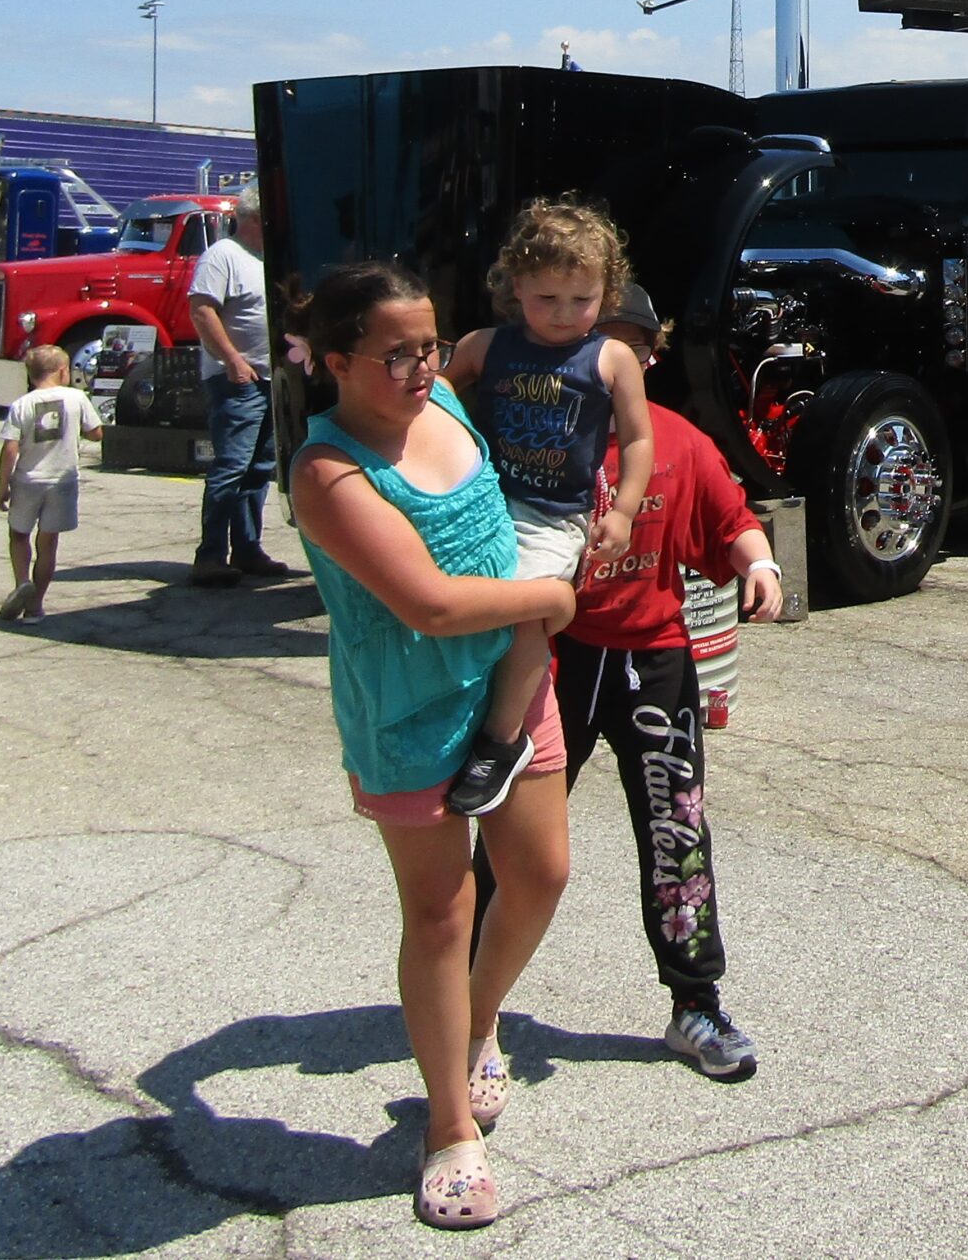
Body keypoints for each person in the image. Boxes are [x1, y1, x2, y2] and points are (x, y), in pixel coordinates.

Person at [287, 261, 578, 1231]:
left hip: (509, 682)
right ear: (335, 360)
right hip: (410, 714)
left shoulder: (448, 398)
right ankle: (449, 1129)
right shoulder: (325, 471)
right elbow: (428, 600)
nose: (421, 367)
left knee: (539, 874)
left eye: (427, 345)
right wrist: (549, 597)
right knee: (442, 912)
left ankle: (476, 1021)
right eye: (396, 353)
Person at [471, 285, 784, 1080]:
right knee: (509, 831)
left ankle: (695, 1004)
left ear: (648, 357)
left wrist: (761, 566)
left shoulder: (674, 441)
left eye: (632, 347)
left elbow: (732, 517)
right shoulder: (524, 438)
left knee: (676, 830)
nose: (612, 363)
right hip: (555, 657)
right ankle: (467, 998)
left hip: (654, 658)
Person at [440, 200, 653, 819]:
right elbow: (438, 402)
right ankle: (467, 711)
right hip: (484, 503)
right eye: (546, 300)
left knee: (526, 611)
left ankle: (502, 741)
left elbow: (638, 439)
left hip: (555, 514)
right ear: (515, 289)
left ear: (607, 293)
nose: (564, 316)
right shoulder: (486, 346)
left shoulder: (610, 358)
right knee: (468, 609)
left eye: (581, 300)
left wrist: (625, 511)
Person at [188, 186, 289, 587]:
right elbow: (201, 309)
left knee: (260, 469)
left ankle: (247, 548)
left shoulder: (268, 260)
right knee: (232, 466)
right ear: (252, 219)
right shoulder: (222, 256)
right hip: (238, 381)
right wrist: (232, 360)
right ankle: (210, 555)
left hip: (269, 378)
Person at [0, 344, 103, 622]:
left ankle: (21, 582)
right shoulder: (76, 398)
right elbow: (96, 433)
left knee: (19, 534)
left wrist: (3, 486)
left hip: (28, 480)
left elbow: (10, 449)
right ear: (63, 371)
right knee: (48, 542)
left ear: (30, 374)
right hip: (63, 480)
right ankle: (35, 606)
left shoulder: (22, 404)